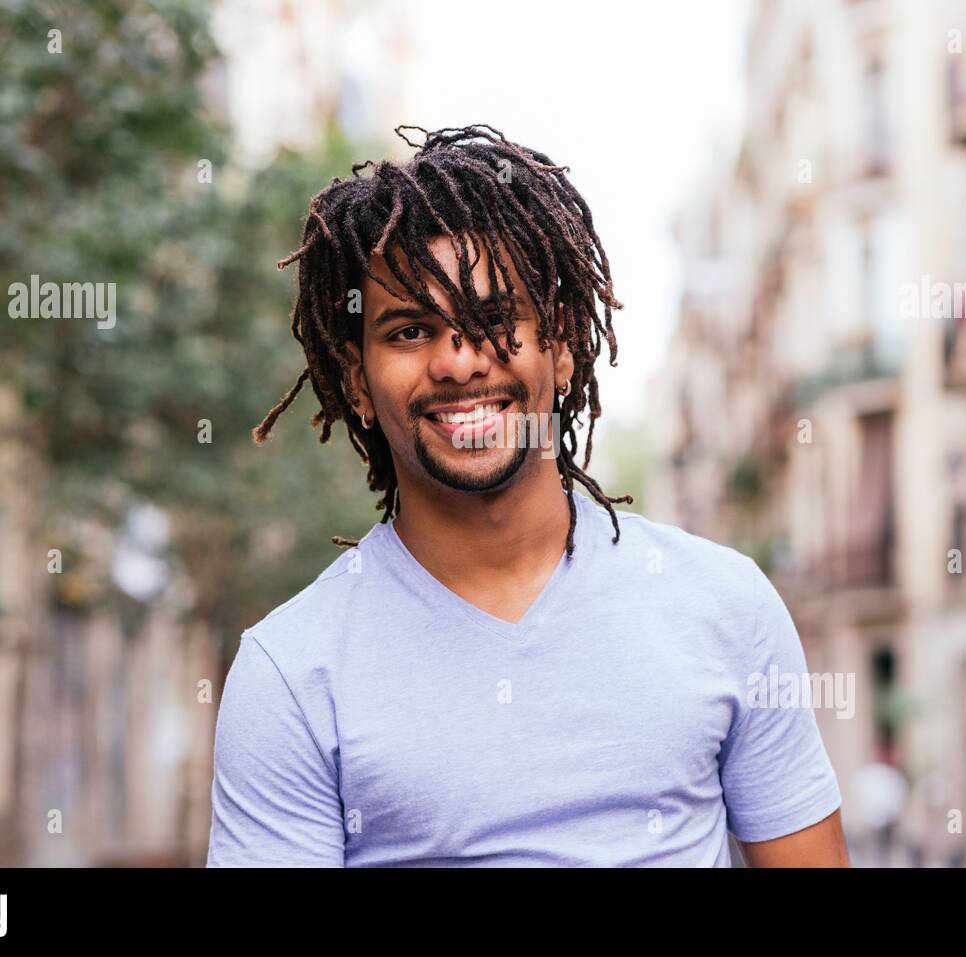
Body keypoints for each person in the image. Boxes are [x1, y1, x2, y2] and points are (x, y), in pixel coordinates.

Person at [206, 125, 847, 867]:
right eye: (412, 330)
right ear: (357, 381)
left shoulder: (727, 607)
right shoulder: (290, 672)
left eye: (492, 320)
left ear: (564, 345)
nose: (459, 360)